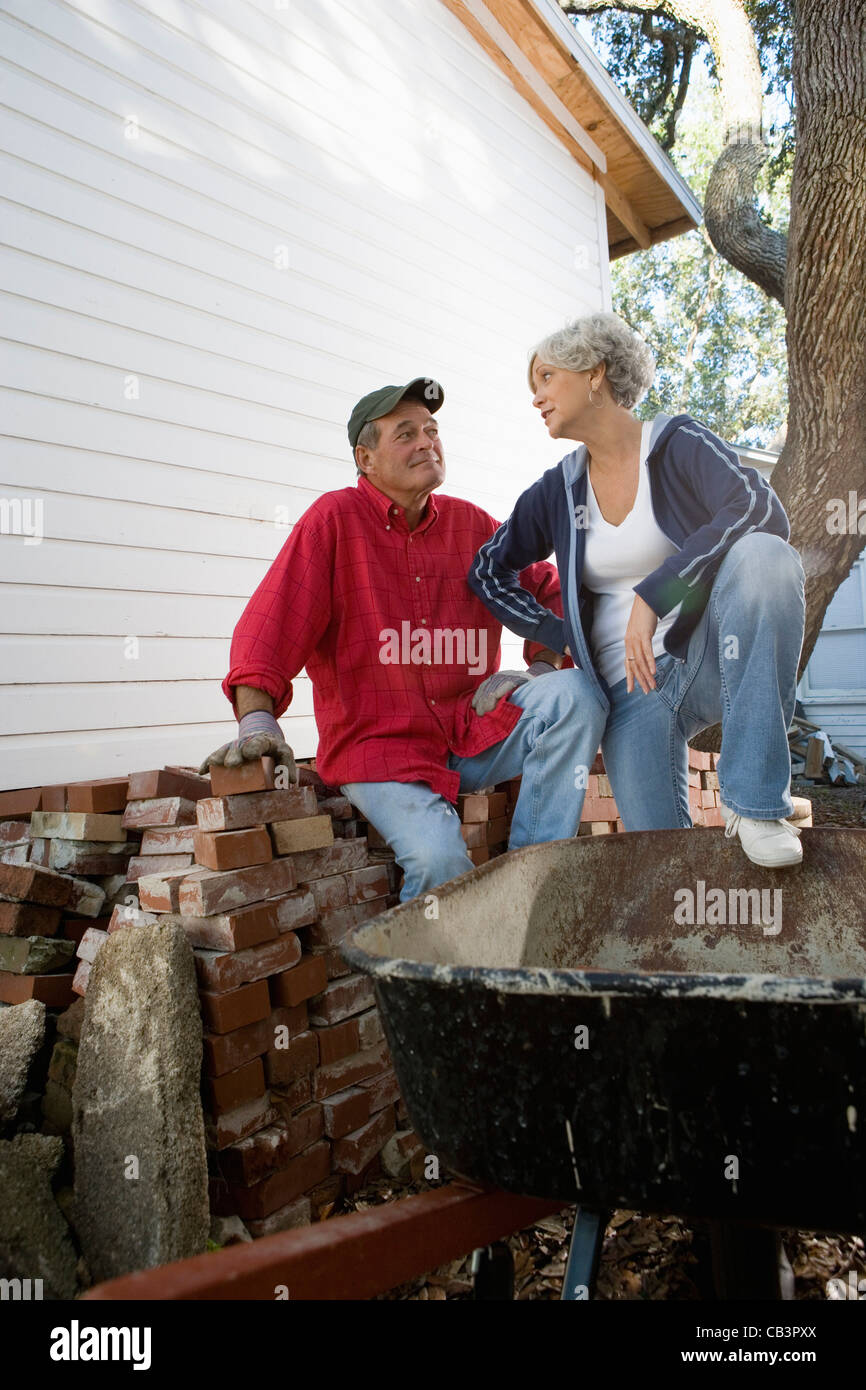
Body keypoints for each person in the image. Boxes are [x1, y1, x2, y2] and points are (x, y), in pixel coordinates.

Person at [199, 378, 607, 900]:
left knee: (576, 694)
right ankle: (423, 978)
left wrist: (541, 668)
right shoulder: (333, 521)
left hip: (468, 730)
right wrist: (257, 721)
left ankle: (528, 887)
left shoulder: (474, 526)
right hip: (378, 749)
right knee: (442, 867)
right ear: (365, 458)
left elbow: (552, 591)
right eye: (406, 434)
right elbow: (269, 625)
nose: (426, 443)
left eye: (433, 431)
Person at [468, 313, 806, 868]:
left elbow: (758, 507)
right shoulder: (559, 489)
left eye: (547, 378)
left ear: (595, 372)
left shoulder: (676, 443)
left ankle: (755, 803)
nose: (537, 398)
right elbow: (487, 570)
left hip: (702, 655)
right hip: (628, 700)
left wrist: (655, 595)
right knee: (669, 870)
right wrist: (560, 635)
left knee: (765, 557)